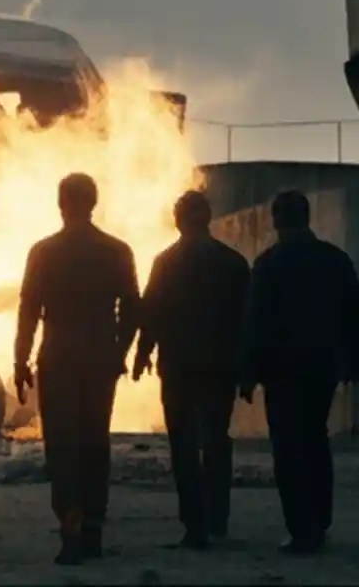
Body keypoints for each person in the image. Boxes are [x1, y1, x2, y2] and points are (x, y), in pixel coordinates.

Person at [14, 172, 140, 565]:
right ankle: (94, 530)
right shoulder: (117, 250)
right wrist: (119, 349)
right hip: (100, 355)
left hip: (58, 355)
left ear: (61, 203)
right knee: (95, 442)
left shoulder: (43, 251)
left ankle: (69, 530)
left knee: (63, 446)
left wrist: (20, 359)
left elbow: (29, 310)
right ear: (93, 203)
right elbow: (133, 309)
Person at [239, 190, 359, 554]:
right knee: (315, 439)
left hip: (281, 373)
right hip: (322, 368)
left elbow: (256, 322)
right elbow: (355, 315)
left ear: (276, 221)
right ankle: (320, 520)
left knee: (288, 449)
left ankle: (301, 529)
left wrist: (248, 373)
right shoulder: (334, 260)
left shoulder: (268, 264)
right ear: (307, 218)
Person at [133, 190, 250, 549]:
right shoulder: (233, 262)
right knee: (216, 440)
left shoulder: (166, 262)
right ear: (208, 217)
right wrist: (247, 368)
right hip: (220, 366)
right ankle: (218, 518)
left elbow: (150, 312)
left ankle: (194, 526)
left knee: (183, 444)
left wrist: (141, 355)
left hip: (179, 367)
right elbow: (248, 319)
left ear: (178, 220)